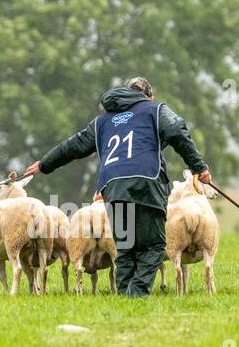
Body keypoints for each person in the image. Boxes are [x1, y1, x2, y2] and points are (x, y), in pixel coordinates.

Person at [23, 77, 211, 297]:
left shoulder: (102, 121)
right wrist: (199, 167)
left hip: (112, 186)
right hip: (146, 182)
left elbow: (74, 145)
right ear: (149, 96)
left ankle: (125, 296)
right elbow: (177, 130)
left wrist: (45, 163)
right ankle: (137, 293)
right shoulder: (155, 109)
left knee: (126, 247)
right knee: (153, 246)